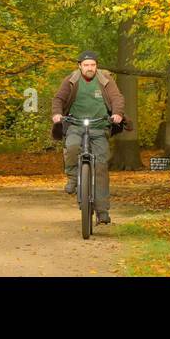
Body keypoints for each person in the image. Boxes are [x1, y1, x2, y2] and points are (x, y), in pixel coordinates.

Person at [51, 51, 126, 224]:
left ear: (96, 66)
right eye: (86, 65)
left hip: (99, 127)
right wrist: (57, 114)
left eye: (92, 65)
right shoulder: (72, 79)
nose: (90, 68)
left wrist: (117, 114)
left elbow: (117, 98)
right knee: (71, 147)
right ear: (80, 66)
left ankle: (102, 211)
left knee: (100, 167)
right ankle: (72, 177)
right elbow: (58, 99)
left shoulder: (105, 79)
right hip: (76, 125)